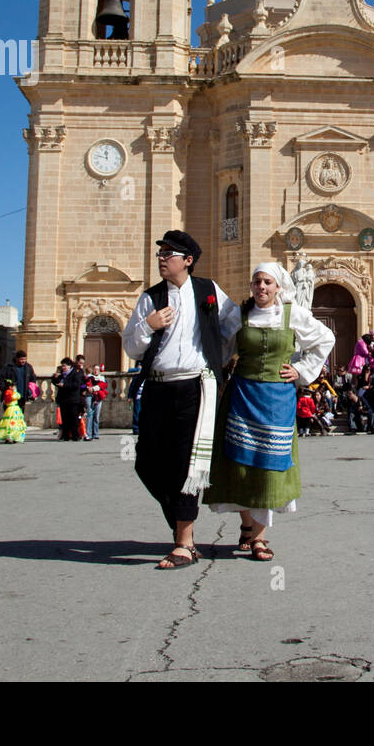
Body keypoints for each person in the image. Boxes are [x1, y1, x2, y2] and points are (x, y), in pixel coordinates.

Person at [123, 230, 241, 570]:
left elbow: (234, 324)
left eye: (169, 254)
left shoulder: (208, 291)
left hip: (195, 386)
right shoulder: (151, 298)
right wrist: (148, 325)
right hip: (159, 386)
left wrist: (217, 358)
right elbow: (131, 347)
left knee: (187, 464)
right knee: (147, 461)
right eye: (160, 253)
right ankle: (180, 524)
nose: (162, 258)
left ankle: (184, 542)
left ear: (187, 260)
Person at [204, 263, 334, 562]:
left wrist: (301, 370)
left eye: (267, 282)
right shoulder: (240, 314)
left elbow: (325, 339)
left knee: (268, 463)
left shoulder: (292, 315)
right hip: (242, 396)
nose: (261, 287)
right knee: (241, 462)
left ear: (278, 287)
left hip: (277, 399)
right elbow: (221, 346)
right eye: (257, 282)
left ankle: (260, 536)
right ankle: (247, 526)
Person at [51, 358, 85, 440]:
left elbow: (76, 385)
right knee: (65, 418)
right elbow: (55, 382)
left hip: (73, 399)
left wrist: (64, 385)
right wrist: (55, 377)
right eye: (62, 366)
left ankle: (75, 435)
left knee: (73, 418)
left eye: (64, 366)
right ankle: (65, 435)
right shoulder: (62, 374)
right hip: (63, 399)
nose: (63, 368)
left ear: (69, 366)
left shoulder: (75, 374)